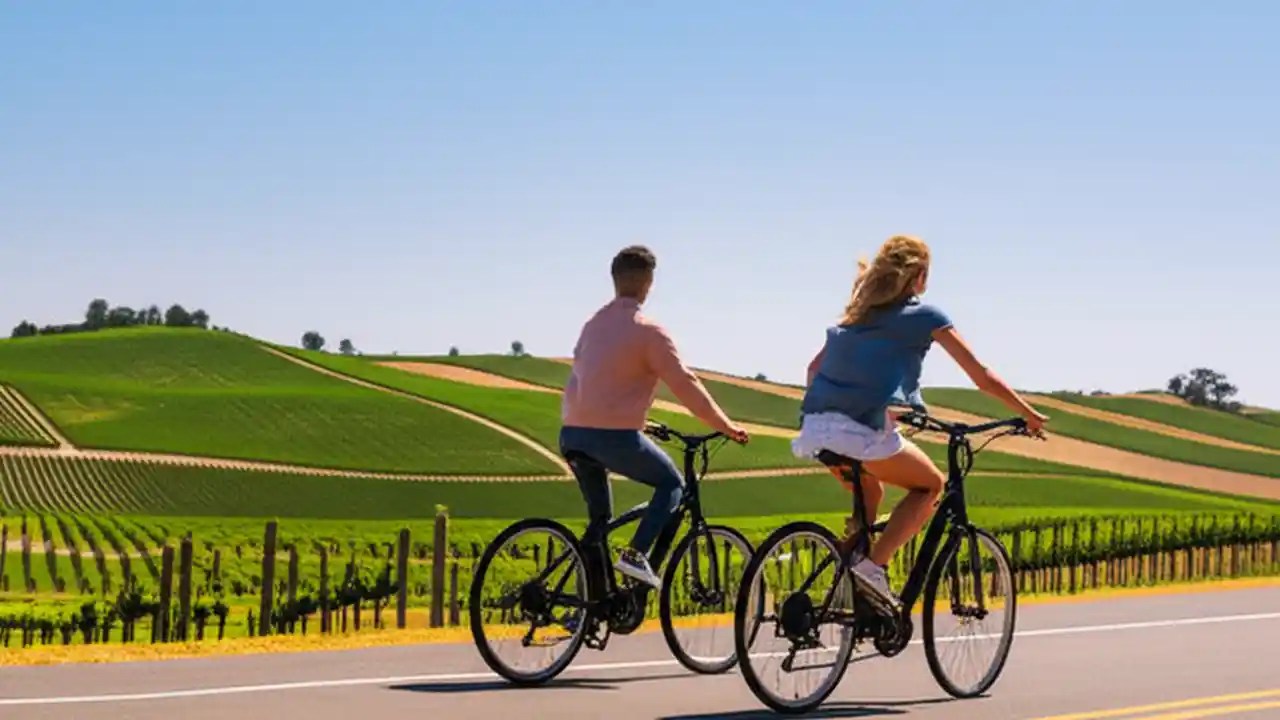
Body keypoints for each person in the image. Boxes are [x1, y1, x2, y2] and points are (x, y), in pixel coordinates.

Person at [792, 235, 1047, 609]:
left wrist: (839, 405)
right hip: (861, 432)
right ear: (919, 276)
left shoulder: (857, 317)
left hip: (816, 429)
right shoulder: (927, 317)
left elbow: (814, 369)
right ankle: (872, 569)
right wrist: (1028, 413)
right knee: (930, 486)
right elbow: (981, 376)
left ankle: (845, 579)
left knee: (871, 494)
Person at [561, 245, 749, 590]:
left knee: (599, 522)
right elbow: (685, 384)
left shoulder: (592, 325)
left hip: (572, 434)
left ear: (614, 280)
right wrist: (725, 425)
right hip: (614, 438)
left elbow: (586, 380)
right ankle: (636, 554)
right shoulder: (649, 332)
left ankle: (589, 608)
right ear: (649, 282)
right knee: (672, 484)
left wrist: (633, 417)